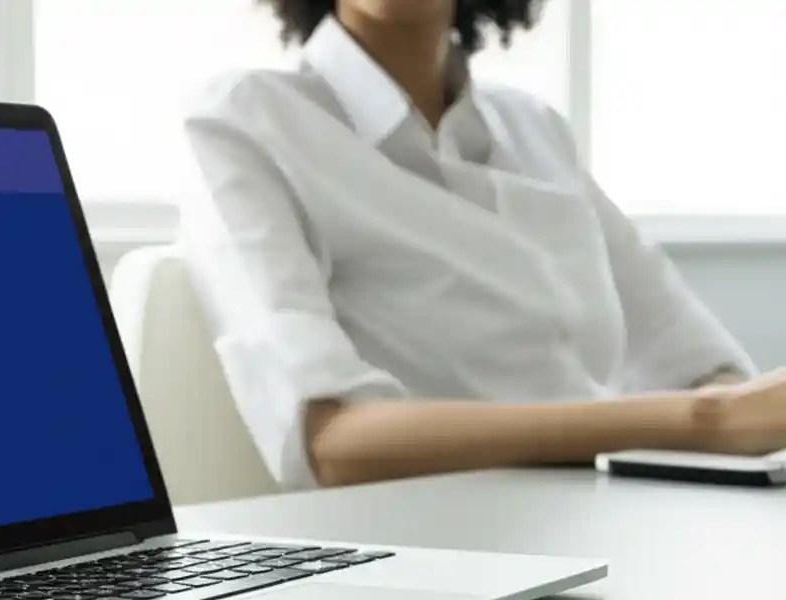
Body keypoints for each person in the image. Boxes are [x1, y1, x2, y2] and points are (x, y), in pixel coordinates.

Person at [180, 0, 786, 490]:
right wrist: (709, 422)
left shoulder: (534, 128)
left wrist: (730, 420)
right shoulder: (245, 119)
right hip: (432, 560)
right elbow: (330, 441)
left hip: (613, 526)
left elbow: (705, 368)